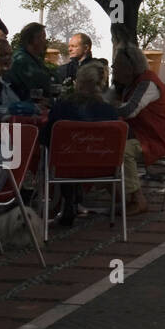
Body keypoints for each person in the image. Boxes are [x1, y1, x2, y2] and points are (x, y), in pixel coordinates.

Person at [44, 60, 119, 226]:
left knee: (63, 153)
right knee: (76, 153)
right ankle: (75, 200)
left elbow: (46, 137)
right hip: (102, 168)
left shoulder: (62, 107)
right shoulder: (110, 112)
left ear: (79, 82)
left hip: (65, 167)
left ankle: (67, 200)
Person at [111, 45, 165, 216]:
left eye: (116, 64)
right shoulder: (127, 84)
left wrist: (106, 108)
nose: (113, 68)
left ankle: (137, 199)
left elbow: (129, 110)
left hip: (158, 137)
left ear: (130, 66)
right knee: (107, 144)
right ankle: (119, 195)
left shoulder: (147, 82)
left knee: (123, 150)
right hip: (142, 134)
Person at [7, 22, 55, 96]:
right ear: (35, 39)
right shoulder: (22, 61)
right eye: (43, 37)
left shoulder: (32, 58)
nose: (45, 42)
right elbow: (45, 83)